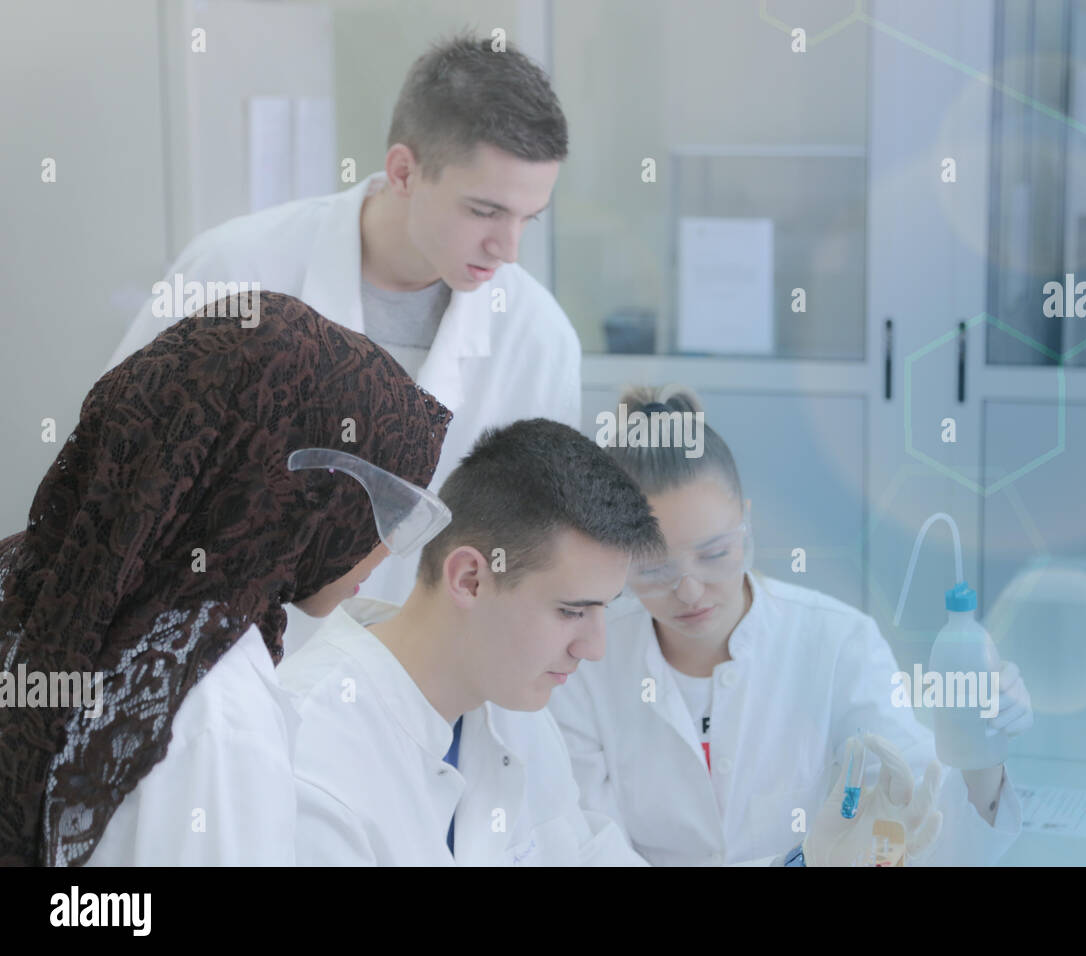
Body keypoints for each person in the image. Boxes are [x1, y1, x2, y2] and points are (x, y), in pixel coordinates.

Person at [105, 33, 577, 651]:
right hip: (216, 664)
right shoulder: (235, 270)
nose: (507, 248)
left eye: (527, 218)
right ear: (404, 171)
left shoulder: (537, 338)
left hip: (415, 682)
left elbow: (534, 554)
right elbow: (114, 476)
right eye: (484, 211)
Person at [0, 292, 451, 866]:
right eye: (382, 512)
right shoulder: (217, 713)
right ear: (299, 493)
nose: (386, 550)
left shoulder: (31, 579)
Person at [549, 386, 1034, 866]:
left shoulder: (838, 643)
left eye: (714, 553)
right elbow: (585, 847)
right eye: (655, 568)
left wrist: (983, 757)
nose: (690, 591)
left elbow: (929, 825)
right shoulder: (584, 665)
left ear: (746, 524)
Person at [277, 419, 662, 865]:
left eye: (605, 608)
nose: (594, 648)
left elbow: (581, 853)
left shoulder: (515, 707)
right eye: (571, 611)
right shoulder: (310, 754)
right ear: (470, 579)